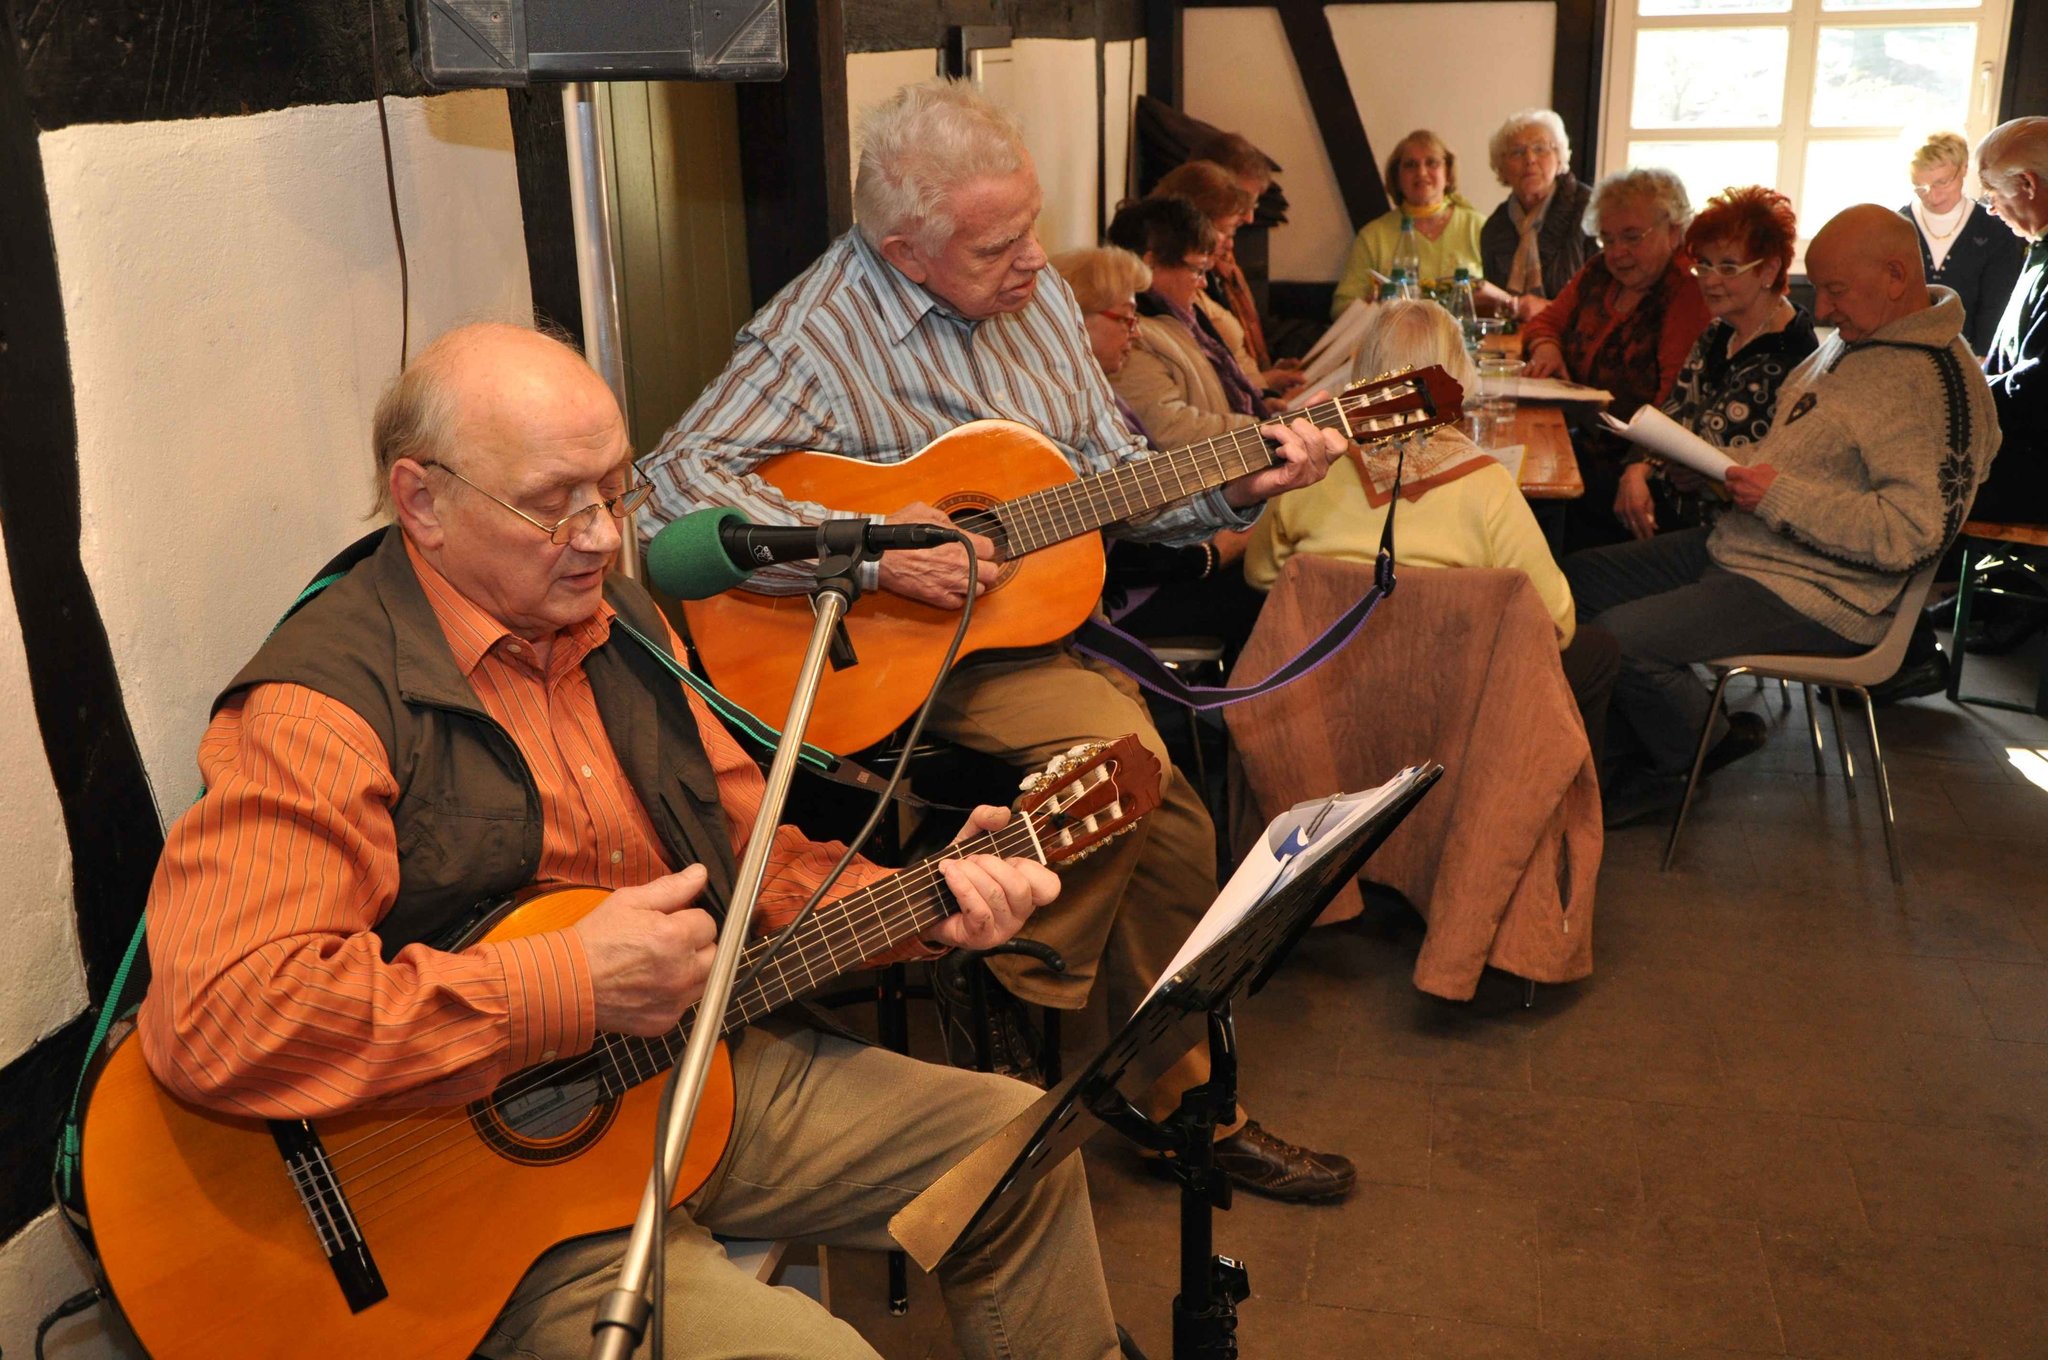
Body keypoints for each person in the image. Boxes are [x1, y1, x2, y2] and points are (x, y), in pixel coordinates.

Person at [134, 322, 1119, 1359]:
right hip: (456, 1190)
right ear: (421, 501)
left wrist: (924, 901)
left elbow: (758, 863)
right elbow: (217, 1017)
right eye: (554, 502)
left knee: (1020, 1148)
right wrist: (566, 982)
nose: (603, 537)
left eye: (614, 491)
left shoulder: (624, 626)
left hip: (686, 1073)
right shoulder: (324, 706)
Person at [639, 80, 1357, 1203]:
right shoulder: (814, 333)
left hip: (1011, 631)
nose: (1032, 261)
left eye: (1030, 225)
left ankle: (1182, 1105)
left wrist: (1237, 485)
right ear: (904, 251)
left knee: (1172, 828)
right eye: (994, 246)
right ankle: (1003, 975)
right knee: (1124, 759)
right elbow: (663, 491)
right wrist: (872, 556)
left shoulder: (1036, 300)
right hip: (875, 652)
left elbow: (1113, 475)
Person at [1564, 206, 2000, 827]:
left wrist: (1774, 496)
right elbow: (1795, 461)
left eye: (1835, 290)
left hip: (1822, 592)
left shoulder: (1932, 382)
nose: (1821, 309)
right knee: (1572, 584)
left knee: (1621, 641)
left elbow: (1912, 533)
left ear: (1896, 276)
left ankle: (1683, 756)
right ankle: (1633, 745)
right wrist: (1721, 469)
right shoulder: (1860, 339)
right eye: (1818, 289)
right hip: (1753, 547)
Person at [1246, 300, 1619, 767]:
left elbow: (1262, 576)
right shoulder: (1487, 485)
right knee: (1598, 652)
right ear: (1457, 375)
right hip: (1454, 705)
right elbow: (1556, 622)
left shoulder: (1306, 474)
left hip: (1321, 699)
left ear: (1361, 370)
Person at [1055, 243, 1265, 662]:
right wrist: (1211, 554)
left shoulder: (1103, 396)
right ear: (1077, 319)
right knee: (1265, 597)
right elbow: (1114, 535)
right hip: (1118, 600)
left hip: (1162, 565)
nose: (1136, 332)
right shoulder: (1069, 408)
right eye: (1126, 318)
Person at [1523, 167, 1713, 551]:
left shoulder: (1685, 290)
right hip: (1582, 446)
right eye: (1607, 239)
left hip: (1638, 470)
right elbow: (1545, 321)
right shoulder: (1599, 272)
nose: (1616, 252)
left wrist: (1638, 467)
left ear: (1674, 231)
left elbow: (1674, 402)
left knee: (1527, 502)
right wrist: (1547, 347)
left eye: (1631, 237)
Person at [1615, 186, 1818, 541]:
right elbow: (1675, 413)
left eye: (1728, 267)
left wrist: (1661, 470)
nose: (1710, 280)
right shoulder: (1719, 331)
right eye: (1705, 265)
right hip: (1677, 505)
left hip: (1731, 533)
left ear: (1769, 270)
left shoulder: (1791, 353)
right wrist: (1637, 470)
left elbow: (1732, 462)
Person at [1107, 196, 1271, 447]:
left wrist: (1266, 407)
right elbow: (1168, 429)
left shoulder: (1182, 318)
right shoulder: (1129, 334)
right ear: (1150, 264)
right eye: (1197, 270)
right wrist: (1262, 428)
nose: (1203, 283)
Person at [1151, 159, 1302, 399]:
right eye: (1226, 231)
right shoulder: (1174, 288)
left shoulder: (1201, 278)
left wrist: (1268, 380)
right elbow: (1212, 385)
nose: (1230, 244)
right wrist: (1266, 395)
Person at [1974, 116, 2048, 527]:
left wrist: (1963, 395)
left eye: (1993, 193)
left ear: (2027, 184)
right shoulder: (2040, 245)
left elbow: (2040, 385)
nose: (1990, 209)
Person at [1331, 129, 1487, 316]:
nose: (1421, 172)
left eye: (1431, 162)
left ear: (1448, 174)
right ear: (1397, 177)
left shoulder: (1478, 226)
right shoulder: (1373, 236)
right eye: (1410, 165)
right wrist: (1373, 307)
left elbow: (1504, 301)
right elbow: (1341, 307)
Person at [1898, 131, 2023, 357]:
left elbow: (1996, 304)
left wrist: (1983, 359)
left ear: (1964, 168)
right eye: (1920, 187)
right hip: (1900, 356)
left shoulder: (1995, 229)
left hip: (1970, 357)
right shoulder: (1894, 227)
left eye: (1942, 182)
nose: (1933, 196)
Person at [1479, 108, 1597, 323]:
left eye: (1540, 148)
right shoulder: (1495, 227)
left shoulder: (1589, 209)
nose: (1530, 159)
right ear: (1501, 167)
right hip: (1513, 337)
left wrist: (1549, 309)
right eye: (1517, 152)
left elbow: (1607, 301)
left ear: (1559, 156)